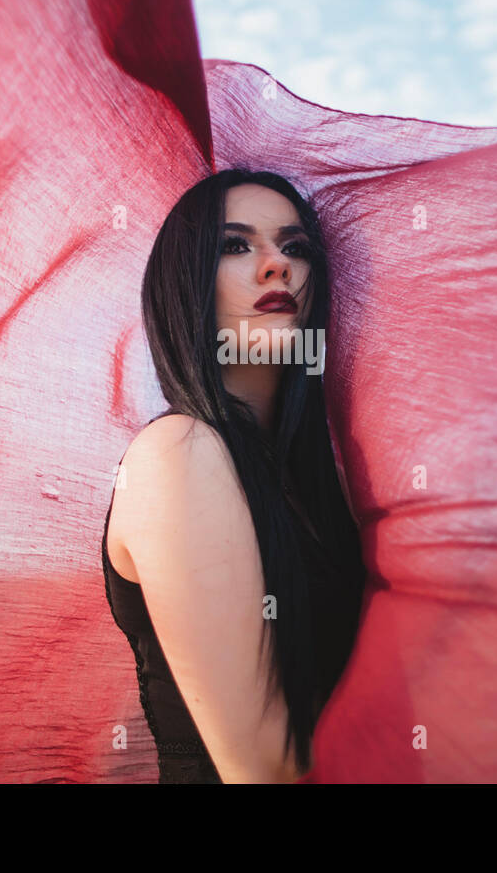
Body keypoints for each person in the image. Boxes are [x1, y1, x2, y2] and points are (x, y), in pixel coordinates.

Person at [101, 168, 366, 783]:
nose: (276, 266)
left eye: (295, 247)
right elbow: (267, 771)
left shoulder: (322, 483)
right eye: (235, 245)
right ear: (186, 284)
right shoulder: (179, 451)